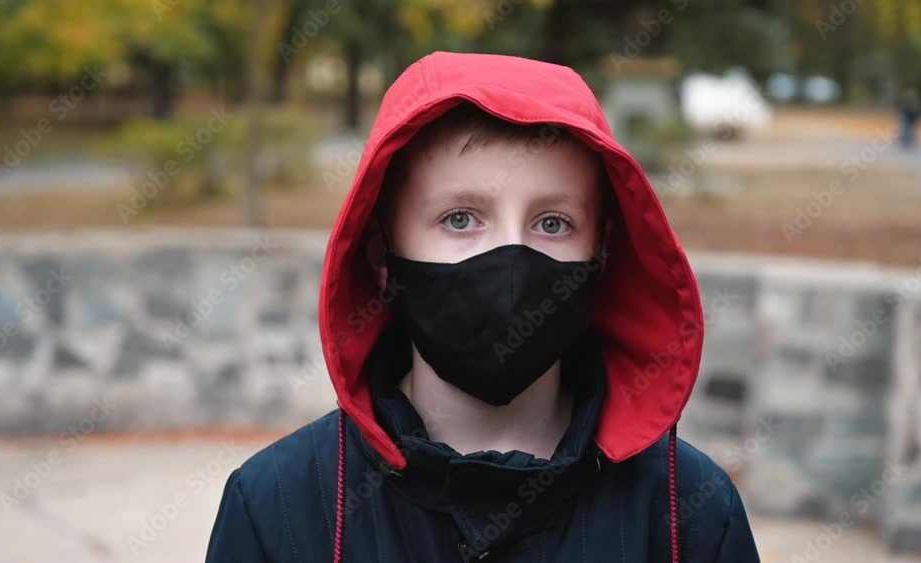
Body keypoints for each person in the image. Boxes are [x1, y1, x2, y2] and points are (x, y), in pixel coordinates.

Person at [205, 51, 760, 563]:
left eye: (553, 223)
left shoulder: (690, 515)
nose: (509, 263)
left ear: (602, 252)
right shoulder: (277, 508)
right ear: (381, 251)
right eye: (460, 218)